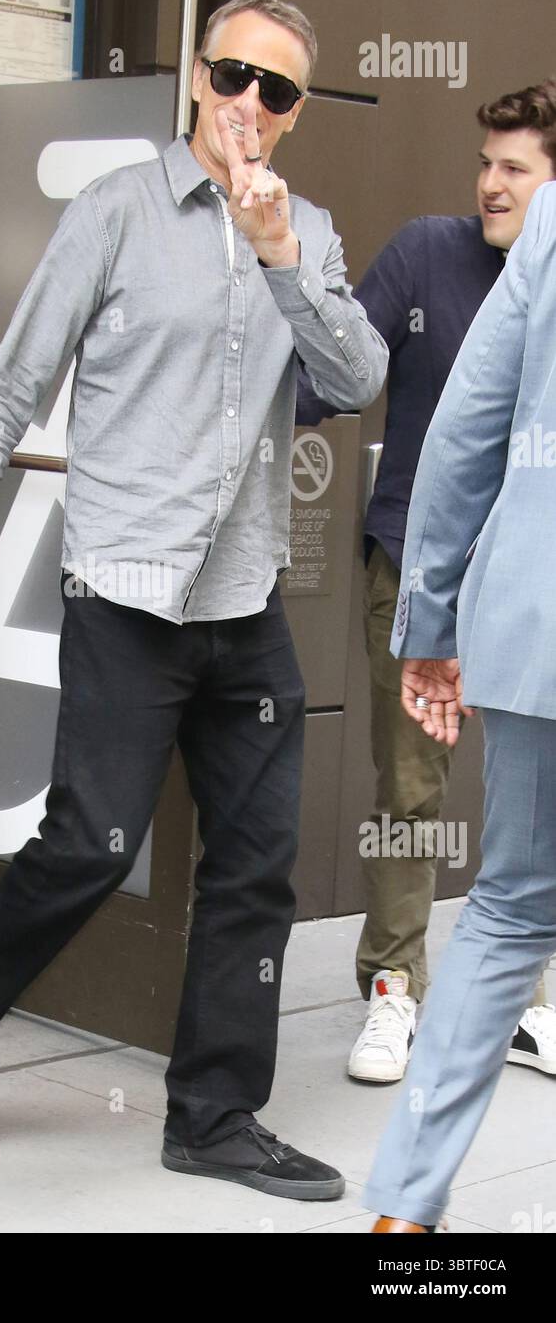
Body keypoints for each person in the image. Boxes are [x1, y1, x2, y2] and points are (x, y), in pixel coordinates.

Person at [0, 0, 387, 1188]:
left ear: (297, 112)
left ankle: (210, 1117)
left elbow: (356, 374)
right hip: (126, 594)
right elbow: (0, 401)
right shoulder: (112, 212)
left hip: (242, 603)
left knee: (258, 863)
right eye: (234, 75)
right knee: (89, 846)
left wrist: (280, 261)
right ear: (198, 80)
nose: (251, 104)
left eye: (280, 90)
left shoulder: (304, 229)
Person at [296, 81, 556, 1083]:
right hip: (419, 574)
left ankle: (522, 1000)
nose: (489, 183)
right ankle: (393, 991)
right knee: (412, 791)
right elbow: (336, 374)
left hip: (534, 582)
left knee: (531, 804)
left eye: (515, 169)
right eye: (486, 163)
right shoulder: (423, 255)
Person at [363, 175, 556, 1231]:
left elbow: (464, 425)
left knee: (511, 908)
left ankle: (402, 1212)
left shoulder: (555, 223)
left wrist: (432, 622)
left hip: (540, 611)